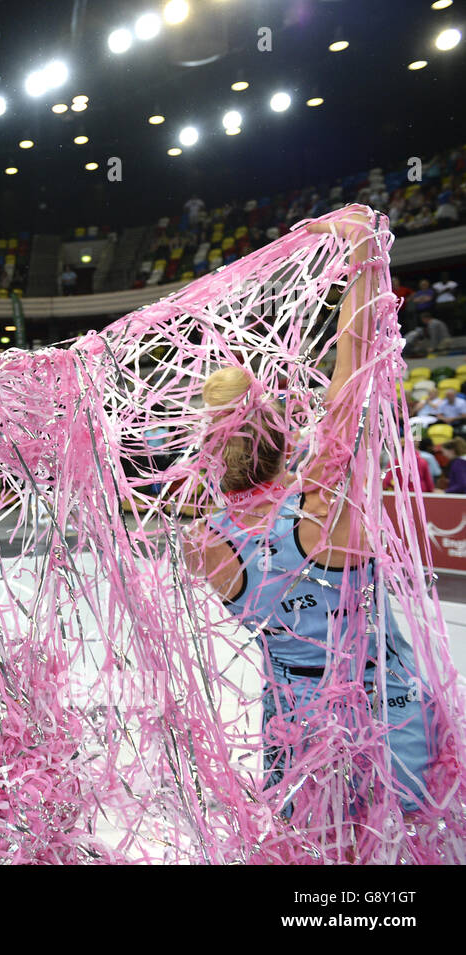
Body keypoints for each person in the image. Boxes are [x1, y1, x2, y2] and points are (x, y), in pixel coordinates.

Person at [185, 207, 433, 817]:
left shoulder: (200, 541)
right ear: (282, 433)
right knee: (397, 852)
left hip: (292, 724)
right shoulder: (322, 505)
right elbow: (356, 378)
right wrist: (361, 255)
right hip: (384, 714)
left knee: (308, 855)